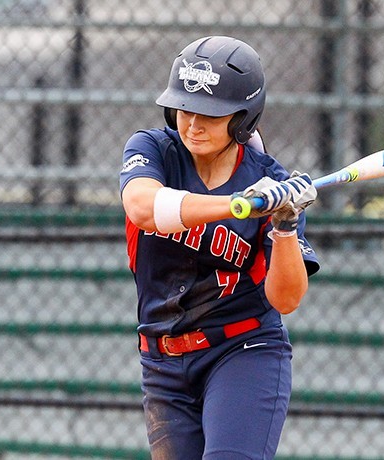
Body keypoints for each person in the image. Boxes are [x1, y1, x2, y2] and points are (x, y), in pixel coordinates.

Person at [119, 36, 320, 459]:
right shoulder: (153, 149)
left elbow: (286, 299)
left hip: (243, 352)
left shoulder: (270, 182)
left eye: (210, 114)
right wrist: (235, 205)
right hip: (163, 360)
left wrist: (283, 225)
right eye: (185, 108)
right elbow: (143, 207)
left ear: (243, 119)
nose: (193, 123)